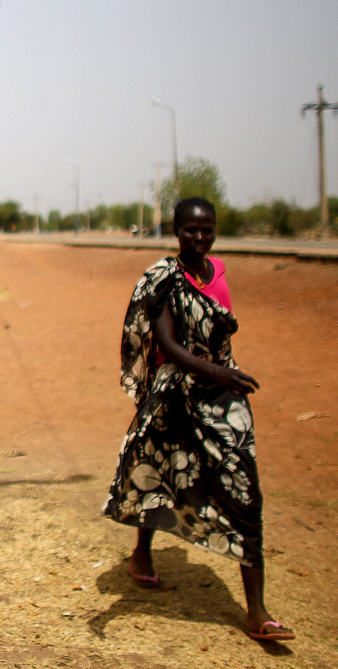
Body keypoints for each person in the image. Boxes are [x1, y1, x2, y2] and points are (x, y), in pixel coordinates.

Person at [102, 197, 295, 641]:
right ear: (176, 231)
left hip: (222, 397)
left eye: (207, 229)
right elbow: (169, 345)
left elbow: (219, 329)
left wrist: (224, 374)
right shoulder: (165, 278)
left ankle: (257, 612)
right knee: (159, 472)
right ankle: (141, 555)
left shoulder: (219, 271)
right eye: (191, 230)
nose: (200, 237)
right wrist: (216, 371)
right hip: (178, 394)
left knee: (246, 492)